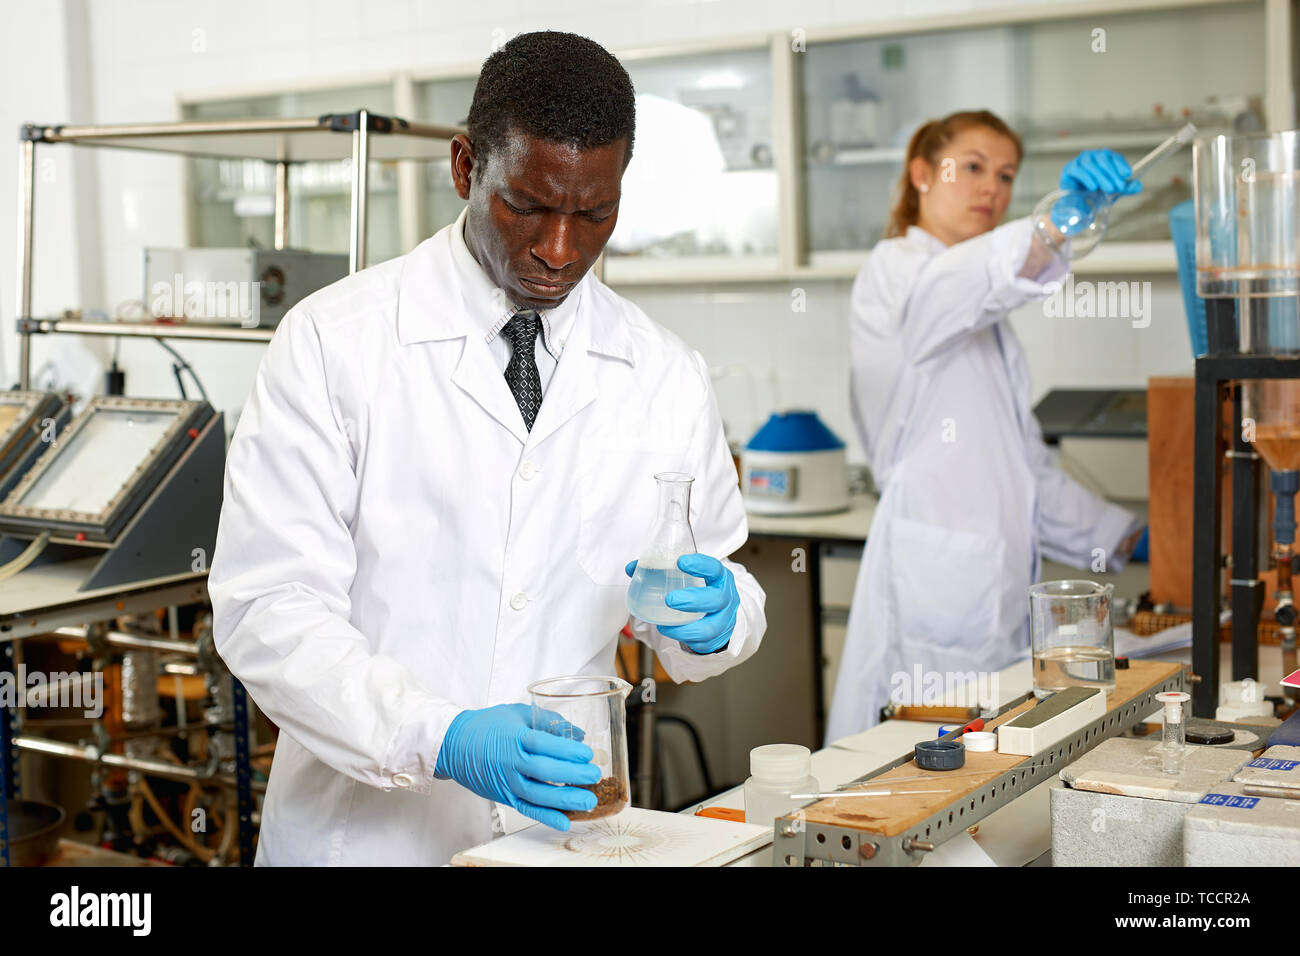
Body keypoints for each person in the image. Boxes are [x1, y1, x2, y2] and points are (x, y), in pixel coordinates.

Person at [207, 31, 766, 866]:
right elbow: (269, 611)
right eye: (530, 206)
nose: (560, 250)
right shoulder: (334, 343)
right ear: (467, 168)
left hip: (563, 834)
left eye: (594, 214)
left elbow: (699, 609)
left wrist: (722, 620)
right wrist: (444, 738)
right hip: (363, 838)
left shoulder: (662, 372)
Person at [826, 110, 1143, 742]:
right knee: (924, 768)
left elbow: (1024, 466)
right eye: (971, 167)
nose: (992, 188)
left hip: (991, 589)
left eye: (1005, 175)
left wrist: (1129, 535)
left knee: (989, 771)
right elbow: (955, 288)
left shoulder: (987, 316)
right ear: (921, 173)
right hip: (934, 587)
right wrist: (1055, 222)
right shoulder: (899, 271)